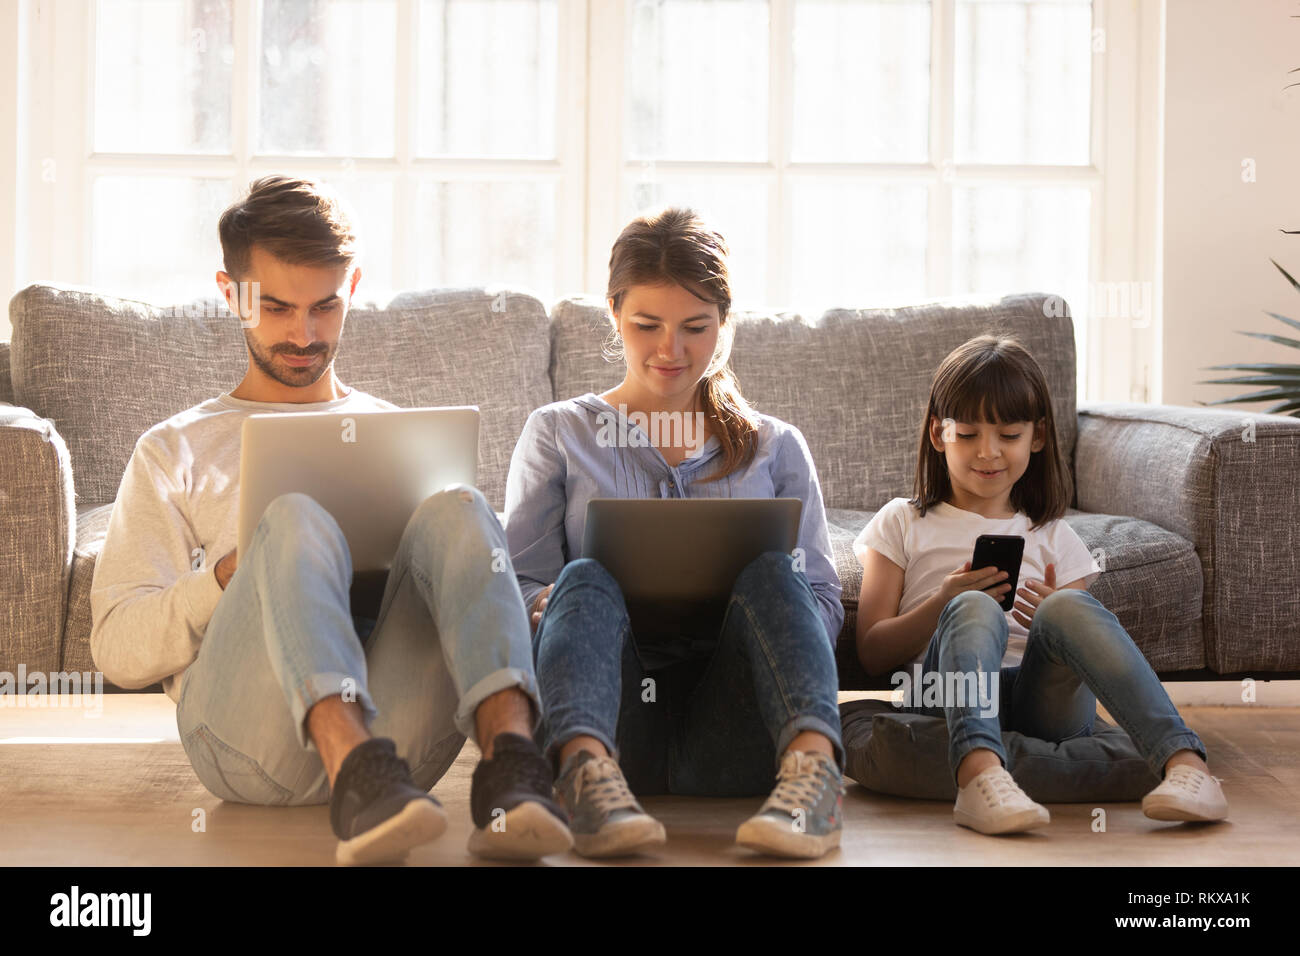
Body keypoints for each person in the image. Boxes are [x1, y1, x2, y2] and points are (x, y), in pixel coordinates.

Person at [90, 175, 572, 865]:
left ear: (354, 290)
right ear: (230, 294)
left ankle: (515, 774)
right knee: (291, 517)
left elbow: (466, 580)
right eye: (277, 307)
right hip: (246, 741)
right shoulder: (175, 448)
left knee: (462, 506)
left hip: (400, 736)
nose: (303, 334)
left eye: (325, 306)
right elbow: (116, 647)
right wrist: (230, 574)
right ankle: (356, 772)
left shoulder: (397, 435)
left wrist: (503, 604)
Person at [505, 207, 846, 860]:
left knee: (783, 574)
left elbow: (826, 602)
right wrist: (544, 604)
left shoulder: (775, 447)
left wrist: (774, 621)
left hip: (739, 729)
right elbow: (514, 583)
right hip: (609, 716)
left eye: (696, 327)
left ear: (724, 320)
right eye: (647, 326)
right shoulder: (559, 432)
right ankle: (583, 780)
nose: (672, 351)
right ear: (612, 313)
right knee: (581, 576)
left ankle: (815, 784)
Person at [853, 332, 1229, 834]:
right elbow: (873, 653)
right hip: (947, 692)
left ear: (1038, 436)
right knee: (973, 608)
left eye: (1008, 435)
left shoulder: (1053, 534)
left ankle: (1187, 767)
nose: (987, 453)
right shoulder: (902, 520)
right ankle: (980, 777)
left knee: (1067, 610)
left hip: (1041, 702)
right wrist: (944, 600)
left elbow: (1080, 660)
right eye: (967, 434)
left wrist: (1055, 614)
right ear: (937, 433)